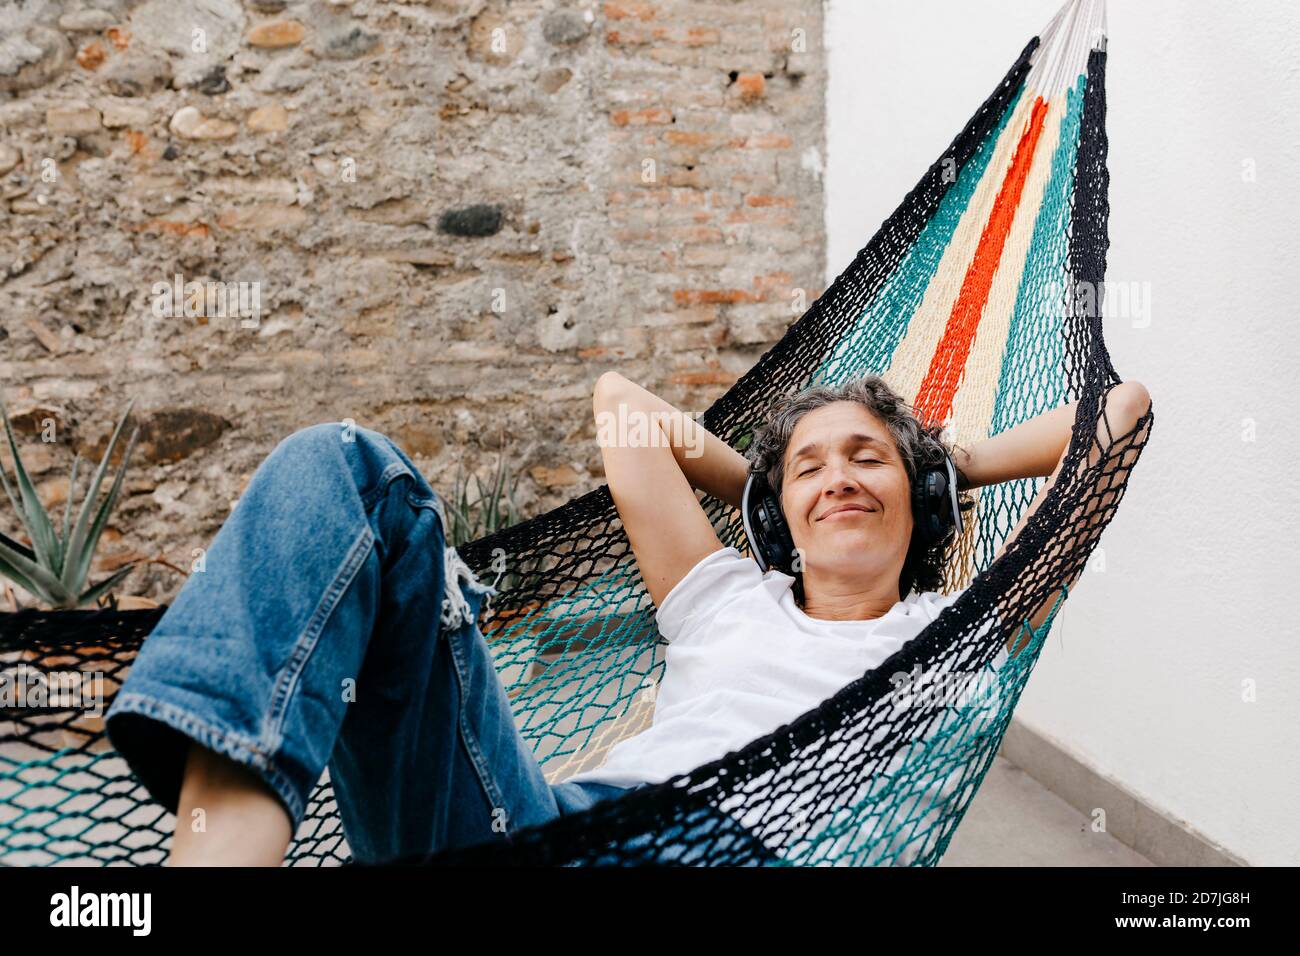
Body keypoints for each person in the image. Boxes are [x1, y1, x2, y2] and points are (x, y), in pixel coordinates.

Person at [103, 372, 1151, 866]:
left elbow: (1118, 413)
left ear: (917, 494)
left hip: (710, 853)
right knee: (346, 466)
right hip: (543, 824)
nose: (836, 478)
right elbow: (622, 407)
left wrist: (932, 459)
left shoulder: (952, 634)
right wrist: (772, 487)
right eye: (812, 467)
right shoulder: (725, 594)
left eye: (863, 458)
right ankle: (230, 832)